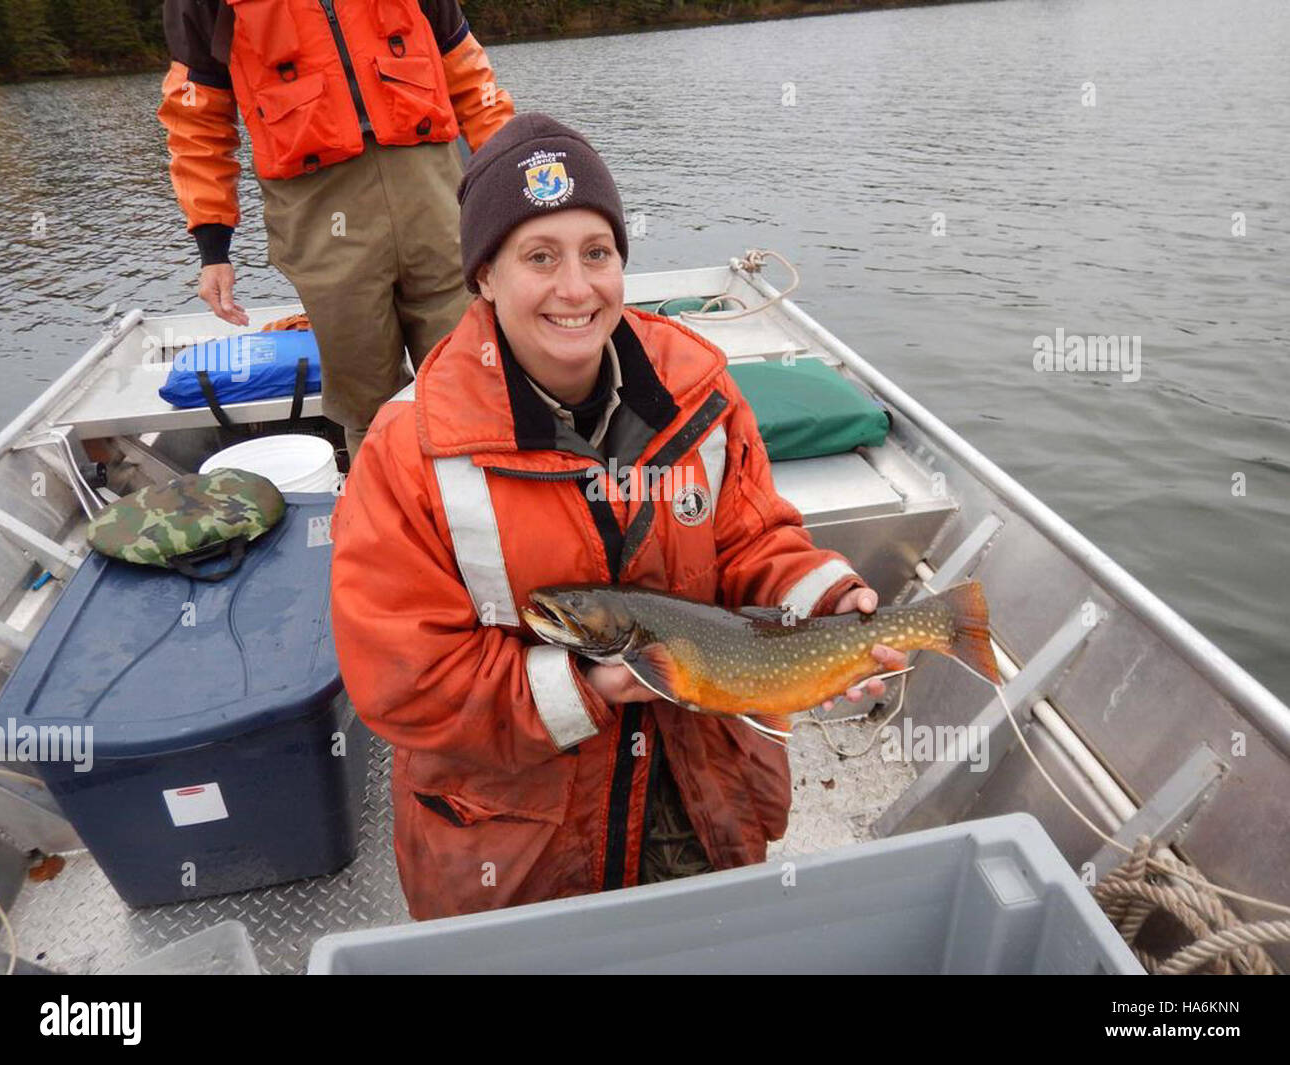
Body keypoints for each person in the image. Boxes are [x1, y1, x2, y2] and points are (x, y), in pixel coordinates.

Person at [329, 113, 908, 920]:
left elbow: (753, 539)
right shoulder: (407, 452)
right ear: (484, 277)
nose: (576, 288)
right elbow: (405, 683)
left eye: (596, 254)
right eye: (539, 257)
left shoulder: (701, 391)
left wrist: (826, 602)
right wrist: (589, 684)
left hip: (699, 788)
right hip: (521, 841)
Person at [157, 0, 514, 460]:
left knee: (477, 379)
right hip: (321, 220)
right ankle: (389, 513)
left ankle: (494, 505)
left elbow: (467, 71)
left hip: (437, 201)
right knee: (369, 406)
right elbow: (196, 118)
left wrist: (513, 179)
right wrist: (213, 248)